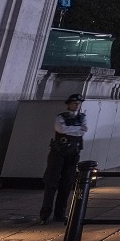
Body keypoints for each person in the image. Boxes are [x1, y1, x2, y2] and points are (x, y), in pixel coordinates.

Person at [40, 93, 88, 223]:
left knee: (67, 183)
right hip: (58, 152)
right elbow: (61, 129)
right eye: (74, 103)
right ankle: (45, 214)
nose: (76, 105)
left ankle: (60, 213)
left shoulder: (82, 117)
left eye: (78, 103)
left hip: (73, 153)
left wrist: (72, 129)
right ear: (69, 104)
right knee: (51, 182)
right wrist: (77, 128)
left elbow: (83, 131)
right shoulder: (61, 117)